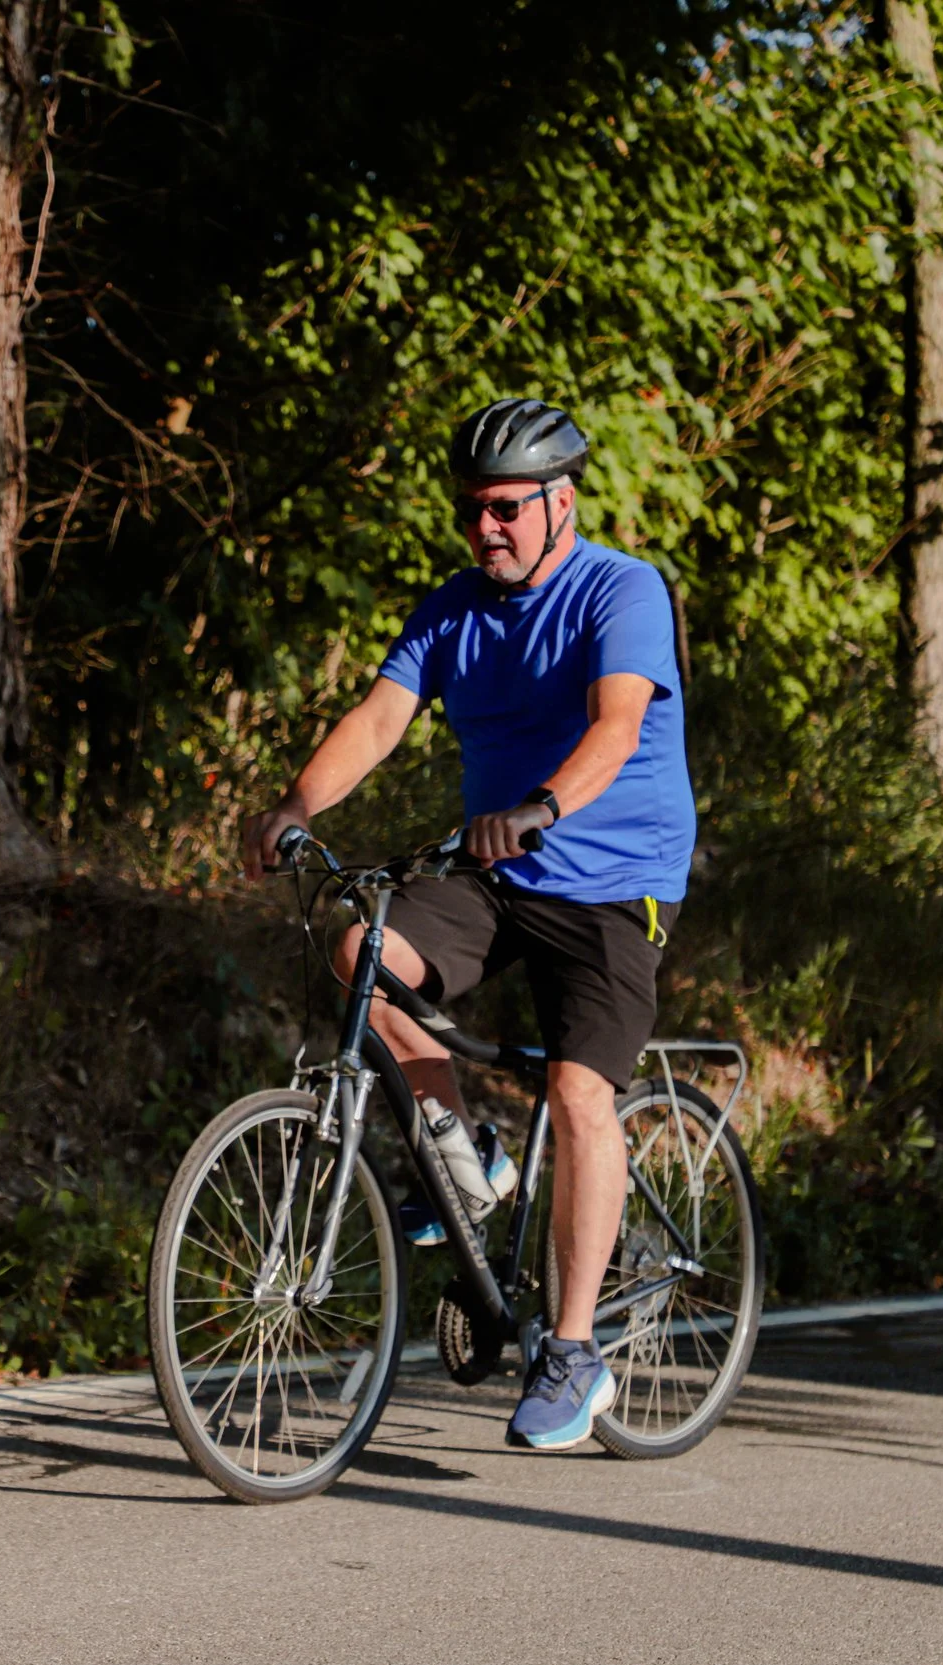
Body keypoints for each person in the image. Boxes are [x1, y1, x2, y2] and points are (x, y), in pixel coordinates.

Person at [242, 398, 695, 1452]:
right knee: (366, 951)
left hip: (611, 877)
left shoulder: (621, 589)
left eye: (504, 508)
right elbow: (380, 717)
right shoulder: (453, 608)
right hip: (495, 870)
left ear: (559, 501)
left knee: (579, 1091)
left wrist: (541, 803)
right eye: (472, 511)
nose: (485, 528)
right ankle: (465, 1155)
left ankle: (575, 1349)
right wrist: (296, 806)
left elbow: (617, 721)